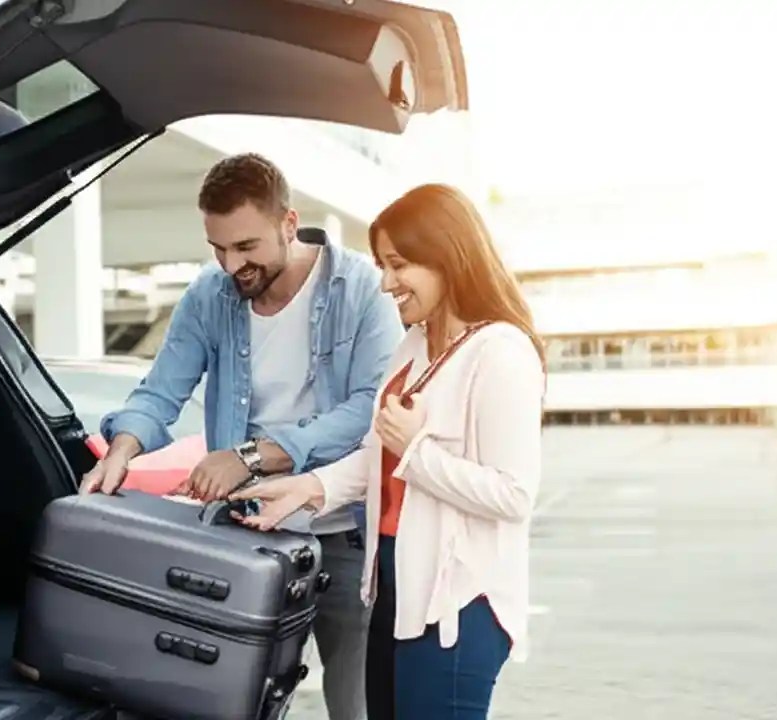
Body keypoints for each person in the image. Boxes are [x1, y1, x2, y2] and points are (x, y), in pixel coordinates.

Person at [80, 153, 403, 720]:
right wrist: (121, 452)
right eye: (218, 248)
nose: (232, 265)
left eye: (246, 247)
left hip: (346, 534)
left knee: (358, 707)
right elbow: (161, 390)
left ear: (287, 223)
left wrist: (250, 457)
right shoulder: (209, 294)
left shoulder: (363, 290)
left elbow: (367, 411)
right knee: (229, 703)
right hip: (245, 537)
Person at [228, 183, 547, 720]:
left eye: (399, 265)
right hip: (395, 587)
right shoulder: (416, 344)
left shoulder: (502, 353)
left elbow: (512, 494)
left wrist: (417, 451)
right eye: (382, 265)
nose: (386, 283)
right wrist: (310, 488)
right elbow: (380, 456)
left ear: (447, 257)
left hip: (457, 603)